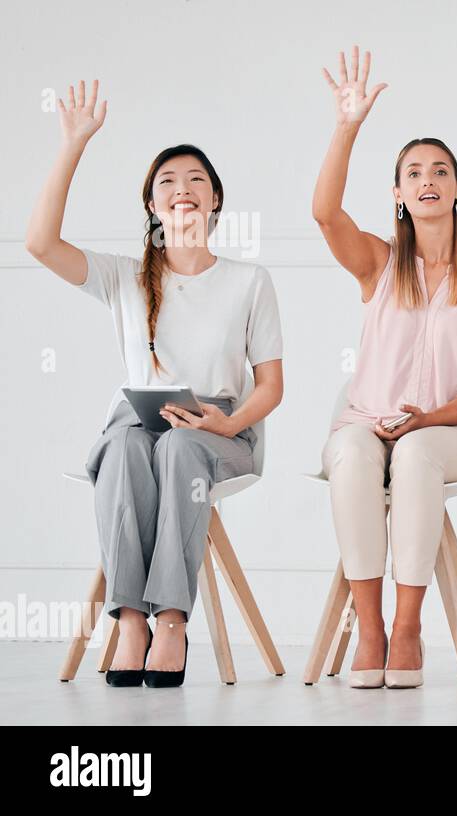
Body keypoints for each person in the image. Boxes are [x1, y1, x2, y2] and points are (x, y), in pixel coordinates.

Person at [26, 80, 284, 688]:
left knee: (179, 446)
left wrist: (229, 421)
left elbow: (271, 386)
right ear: (152, 205)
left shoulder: (249, 281)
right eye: (167, 182)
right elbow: (39, 243)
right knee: (123, 446)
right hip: (137, 421)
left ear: (216, 199)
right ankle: (131, 619)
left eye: (196, 179)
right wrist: (72, 145)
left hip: (218, 427)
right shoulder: (124, 277)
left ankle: (171, 617)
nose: (182, 189)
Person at [312, 48, 457, 690]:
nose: (428, 179)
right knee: (349, 448)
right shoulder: (377, 262)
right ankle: (368, 629)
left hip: (455, 436)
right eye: (413, 172)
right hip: (370, 424)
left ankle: (407, 627)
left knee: (418, 451)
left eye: (441, 171)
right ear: (397, 194)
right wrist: (348, 126)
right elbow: (324, 212)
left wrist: (425, 418)